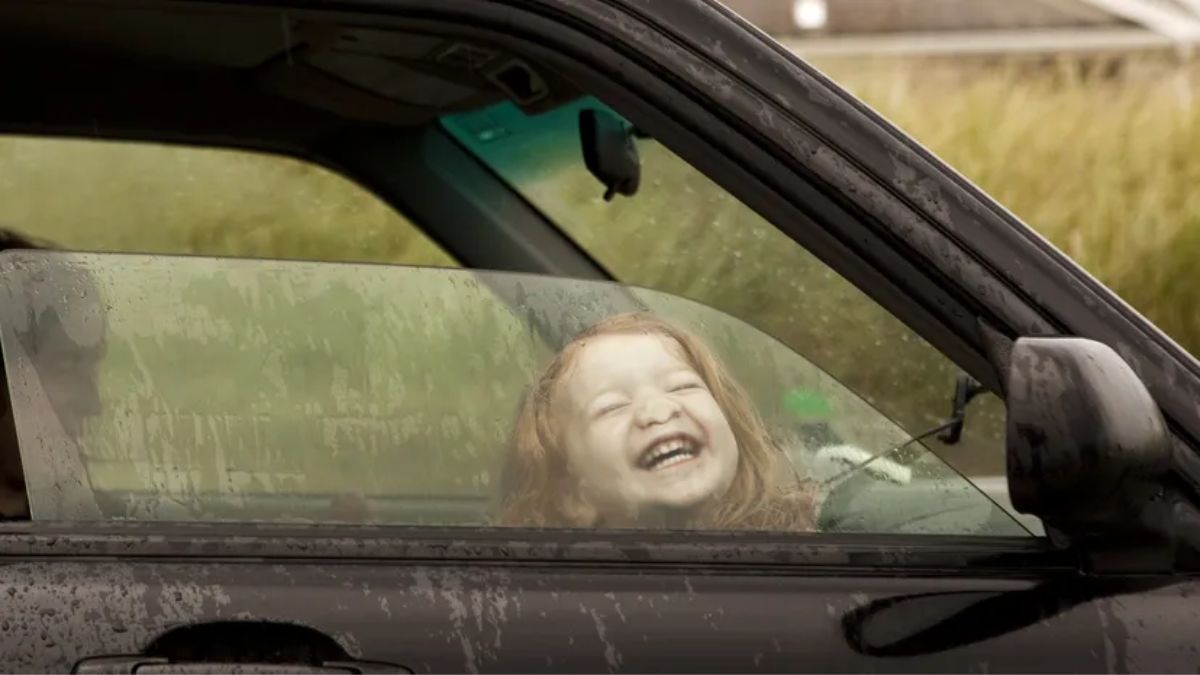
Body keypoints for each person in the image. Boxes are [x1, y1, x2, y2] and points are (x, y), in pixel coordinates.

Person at [499, 312, 817, 531]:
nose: (658, 411)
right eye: (612, 407)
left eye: (683, 386)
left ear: (734, 434)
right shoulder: (581, 607)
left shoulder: (821, 534)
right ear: (571, 496)